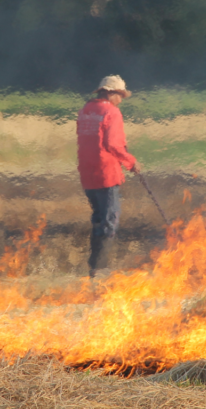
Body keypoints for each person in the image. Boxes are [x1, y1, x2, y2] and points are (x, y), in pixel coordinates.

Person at [77, 75, 139, 278]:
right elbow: (112, 144)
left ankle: (94, 266)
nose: (121, 100)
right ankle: (101, 269)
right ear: (111, 93)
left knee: (98, 217)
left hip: (87, 173)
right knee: (109, 219)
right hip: (106, 173)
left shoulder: (85, 111)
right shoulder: (111, 112)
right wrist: (130, 162)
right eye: (120, 95)